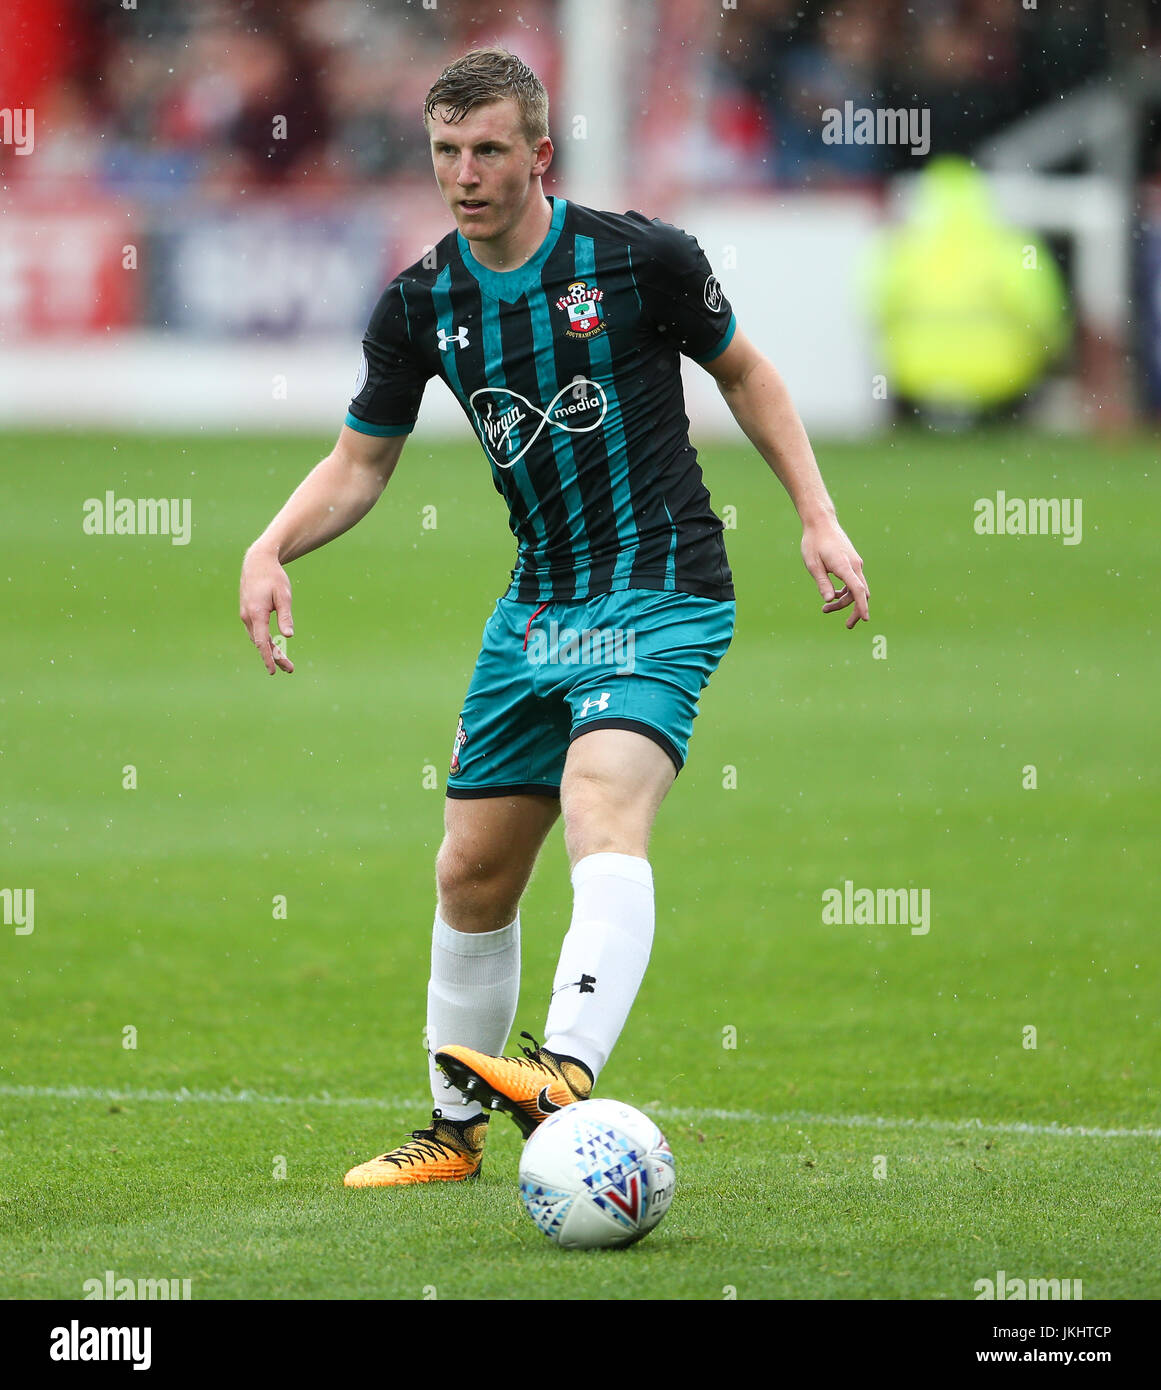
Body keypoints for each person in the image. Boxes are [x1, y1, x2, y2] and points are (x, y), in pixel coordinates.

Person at [239, 46, 869, 1188]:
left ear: (539, 152)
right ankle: (452, 1132)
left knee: (600, 803)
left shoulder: (639, 259)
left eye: (488, 150)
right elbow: (358, 463)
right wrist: (272, 544)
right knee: (470, 870)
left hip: (662, 583)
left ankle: (566, 1070)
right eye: (445, 151)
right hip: (539, 605)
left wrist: (817, 519)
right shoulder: (423, 301)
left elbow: (749, 375)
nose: (464, 174)